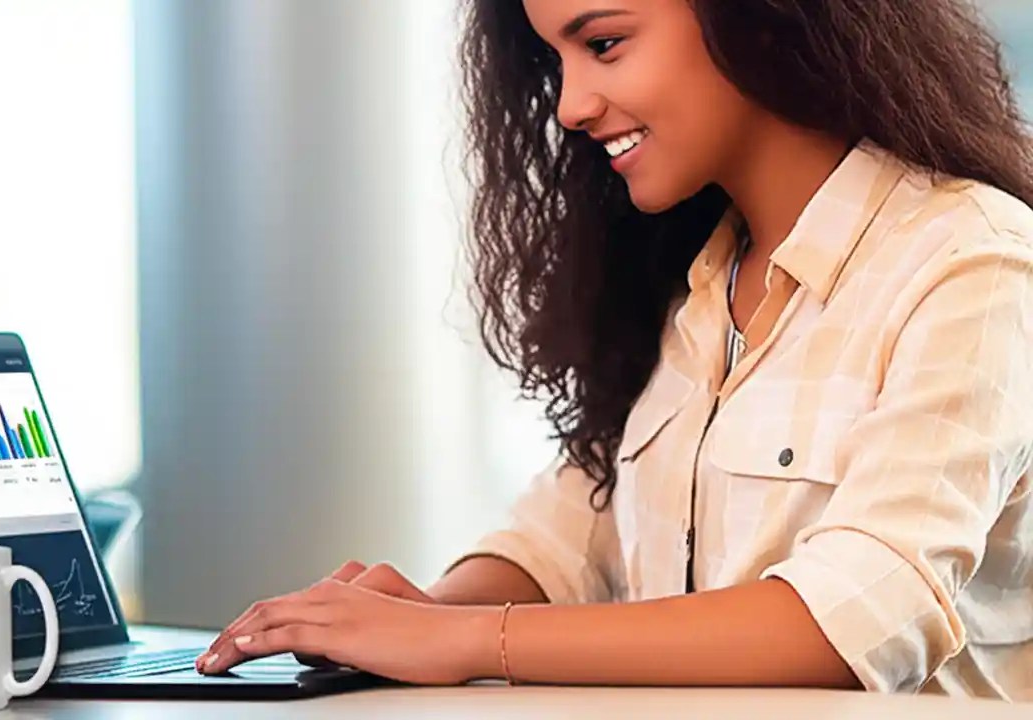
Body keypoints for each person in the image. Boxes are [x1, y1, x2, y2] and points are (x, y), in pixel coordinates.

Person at [196, 0, 1033, 699]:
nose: (569, 105)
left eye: (603, 44)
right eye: (556, 58)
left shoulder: (975, 264)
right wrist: (414, 618)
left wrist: (464, 641)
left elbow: (853, 621)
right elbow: (566, 541)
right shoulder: (694, 286)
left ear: (764, 17)